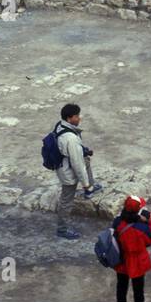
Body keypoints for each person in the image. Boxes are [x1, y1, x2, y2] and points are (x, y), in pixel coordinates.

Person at [53, 103, 102, 240]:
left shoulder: (60, 125)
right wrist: (86, 185)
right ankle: (62, 229)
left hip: (66, 163)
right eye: (77, 116)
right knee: (66, 200)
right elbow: (77, 164)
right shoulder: (71, 139)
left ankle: (91, 186)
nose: (79, 118)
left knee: (86, 160)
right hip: (68, 172)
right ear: (69, 119)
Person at [112, 195, 151, 302]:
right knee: (138, 291)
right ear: (138, 210)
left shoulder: (117, 222)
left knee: (121, 288)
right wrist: (149, 222)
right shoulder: (142, 228)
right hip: (138, 262)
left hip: (121, 260)